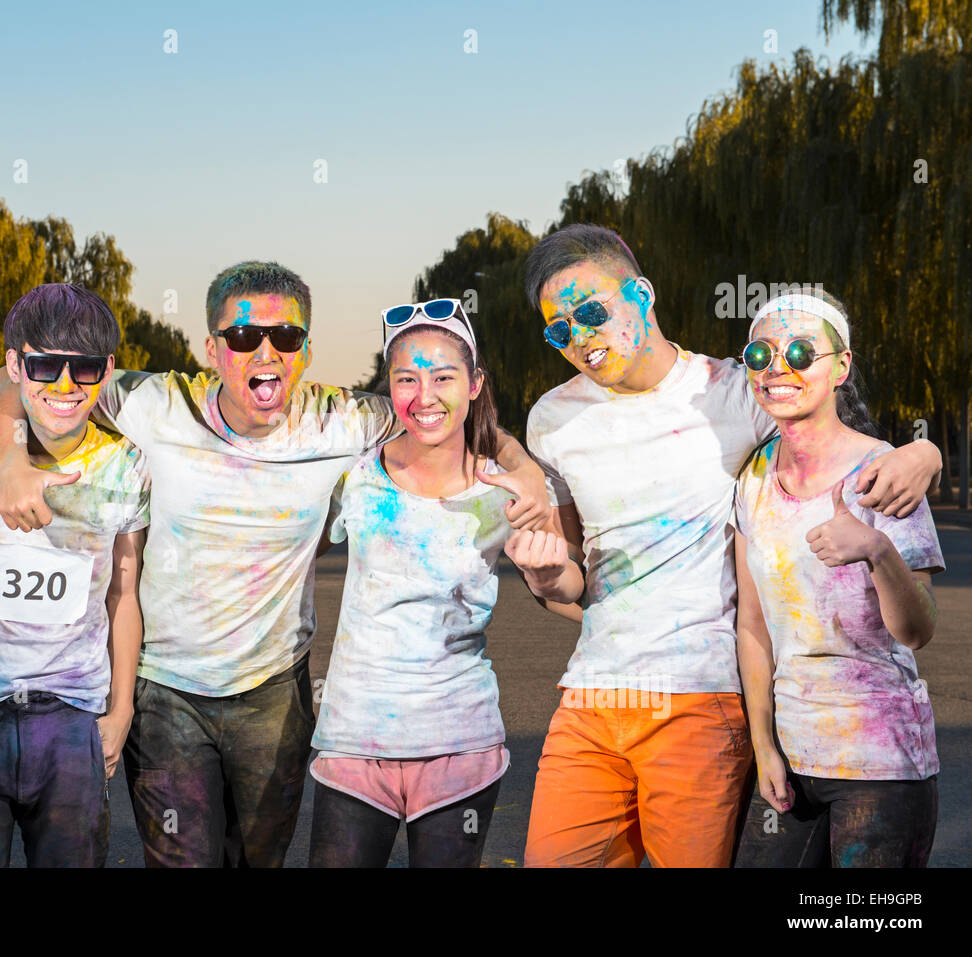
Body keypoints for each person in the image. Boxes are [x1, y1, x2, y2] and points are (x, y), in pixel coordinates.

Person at [0, 261, 551, 867]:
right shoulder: (157, 403)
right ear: (212, 348)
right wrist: (13, 459)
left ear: (304, 349)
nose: (266, 351)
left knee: (260, 860)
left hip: (274, 691)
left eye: (285, 337)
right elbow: (10, 378)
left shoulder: (344, 420)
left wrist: (527, 469)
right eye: (244, 337)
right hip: (166, 689)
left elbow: (451, 420)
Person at [521, 224, 942, 867]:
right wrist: (547, 581)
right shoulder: (551, 420)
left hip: (701, 696)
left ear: (641, 294)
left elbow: (828, 434)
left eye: (591, 313)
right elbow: (571, 576)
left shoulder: (732, 391)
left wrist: (923, 452)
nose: (580, 338)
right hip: (591, 696)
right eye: (559, 329)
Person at [308, 300, 582, 867]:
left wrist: (550, 569)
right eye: (407, 378)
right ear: (390, 386)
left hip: (460, 742)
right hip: (354, 742)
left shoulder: (508, 491)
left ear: (475, 382)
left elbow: (567, 592)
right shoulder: (353, 476)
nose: (424, 395)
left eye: (443, 377)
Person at [0, 284, 147, 867]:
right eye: (44, 365)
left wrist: (120, 713)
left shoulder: (126, 463)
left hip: (73, 715)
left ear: (107, 370)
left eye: (85, 368)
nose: (65, 386)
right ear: (14, 364)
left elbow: (124, 595)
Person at [732, 291, 943, 867]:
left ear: (840, 367)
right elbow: (752, 625)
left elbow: (918, 631)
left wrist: (876, 550)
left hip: (882, 761)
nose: (779, 367)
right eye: (761, 354)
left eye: (801, 351)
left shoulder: (886, 474)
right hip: (791, 758)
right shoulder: (752, 477)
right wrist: (763, 746)